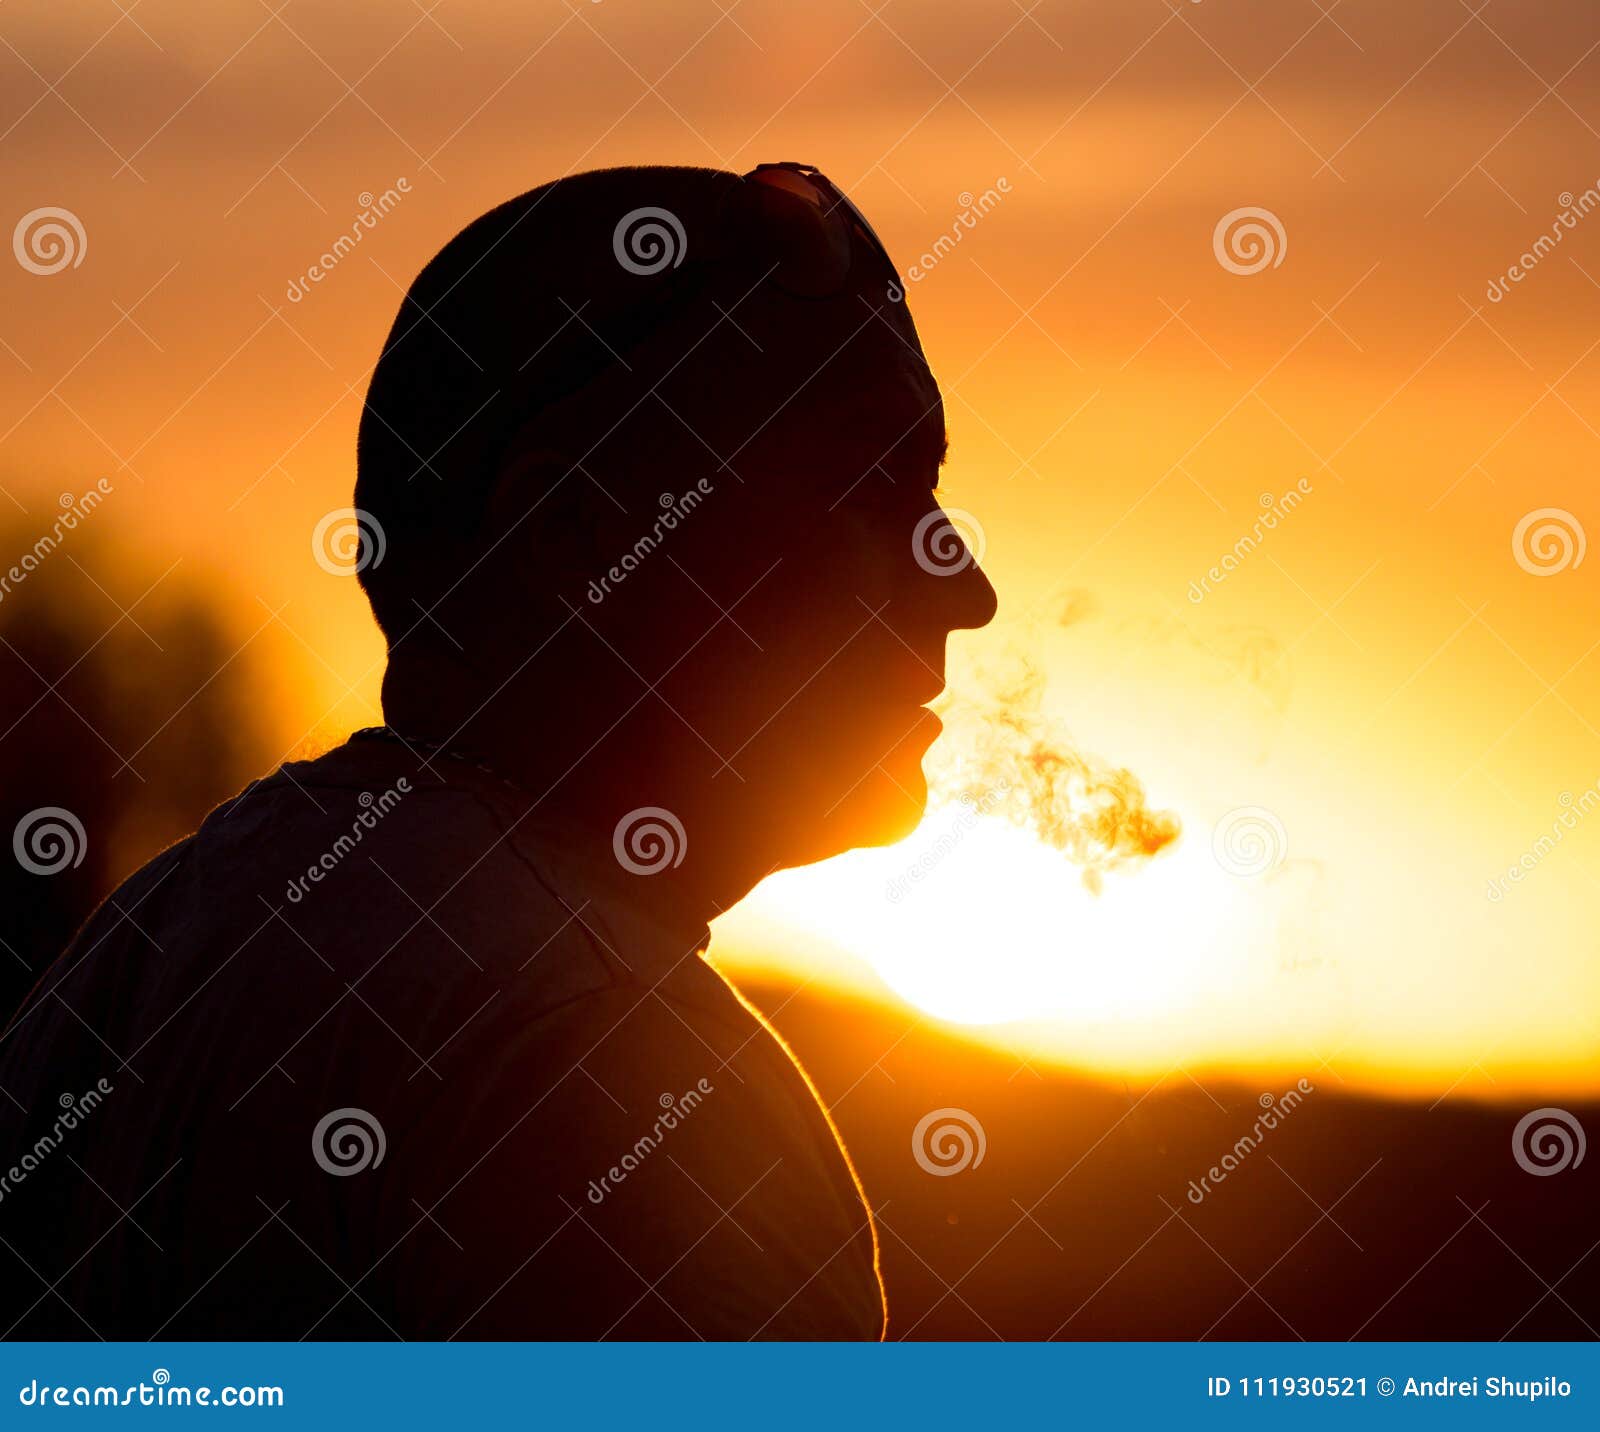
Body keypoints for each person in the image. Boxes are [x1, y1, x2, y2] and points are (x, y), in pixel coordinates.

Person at [0, 164, 995, 1340]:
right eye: (876, 493)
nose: (968, 589)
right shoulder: (631, 1080)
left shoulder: (148, 950)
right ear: (580, 539)